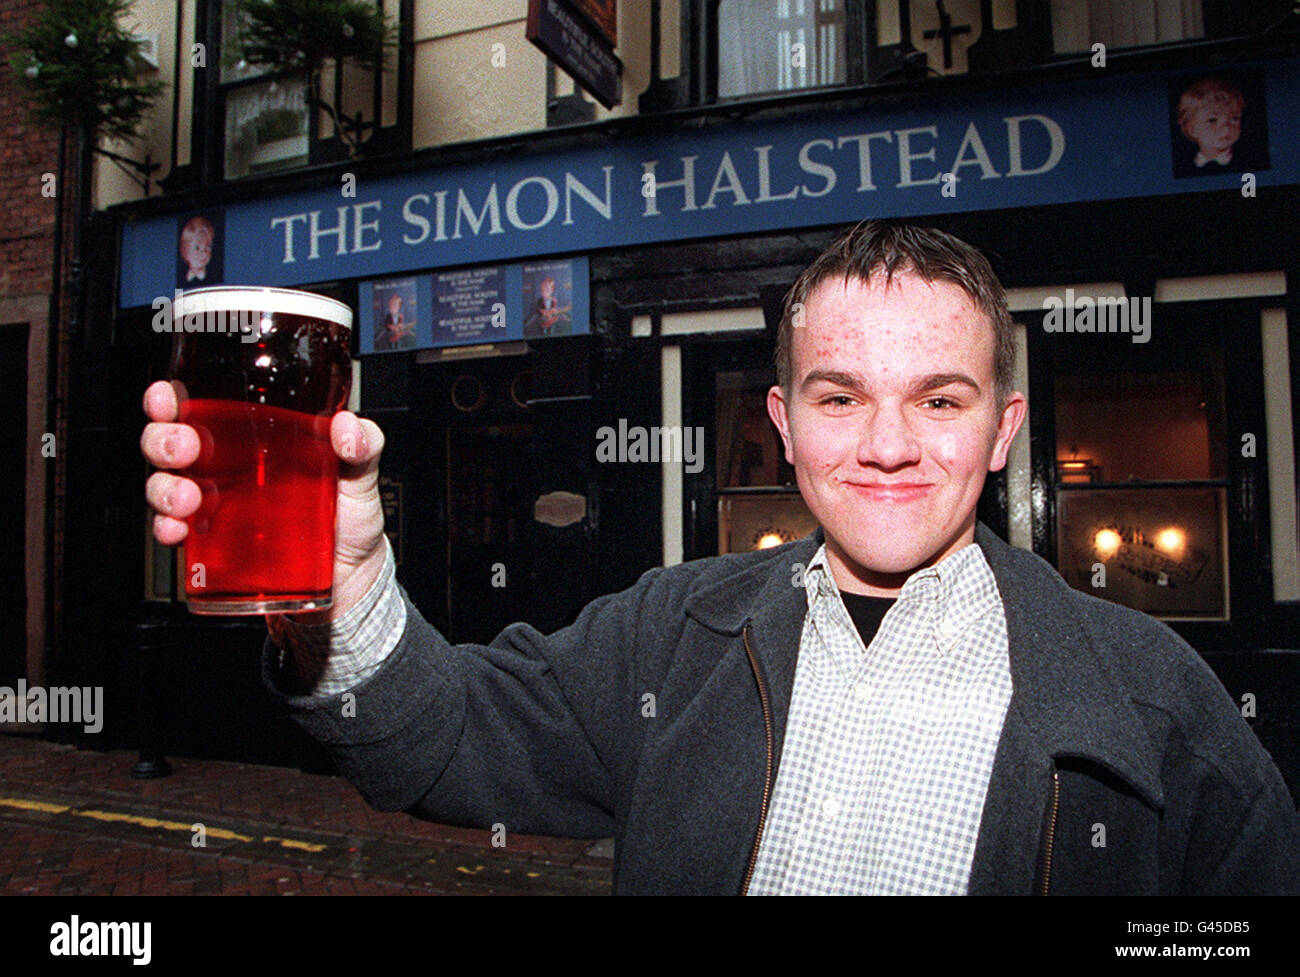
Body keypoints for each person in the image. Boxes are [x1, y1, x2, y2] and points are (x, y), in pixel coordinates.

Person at [141, 221, 1300, 895]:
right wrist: (343, 586)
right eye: (839, 396)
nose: (888, 445)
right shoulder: (670, 632)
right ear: (783, 427)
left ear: (1000, 430)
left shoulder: (1153, 702)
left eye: (938, 399)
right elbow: (440, 741)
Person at [1173, 78, 1244, 176]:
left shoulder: (1249, 162)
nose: (1226, 128)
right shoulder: (1183, 167)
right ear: (1192, 129)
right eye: (1212, 120)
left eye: (1234, 119)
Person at [178, 216, 216, 283]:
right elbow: (177, 292)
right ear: (184, 250)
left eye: (208, 247)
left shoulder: (214, 278)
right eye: (197, 248)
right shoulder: (180, 283)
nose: (204, 253)